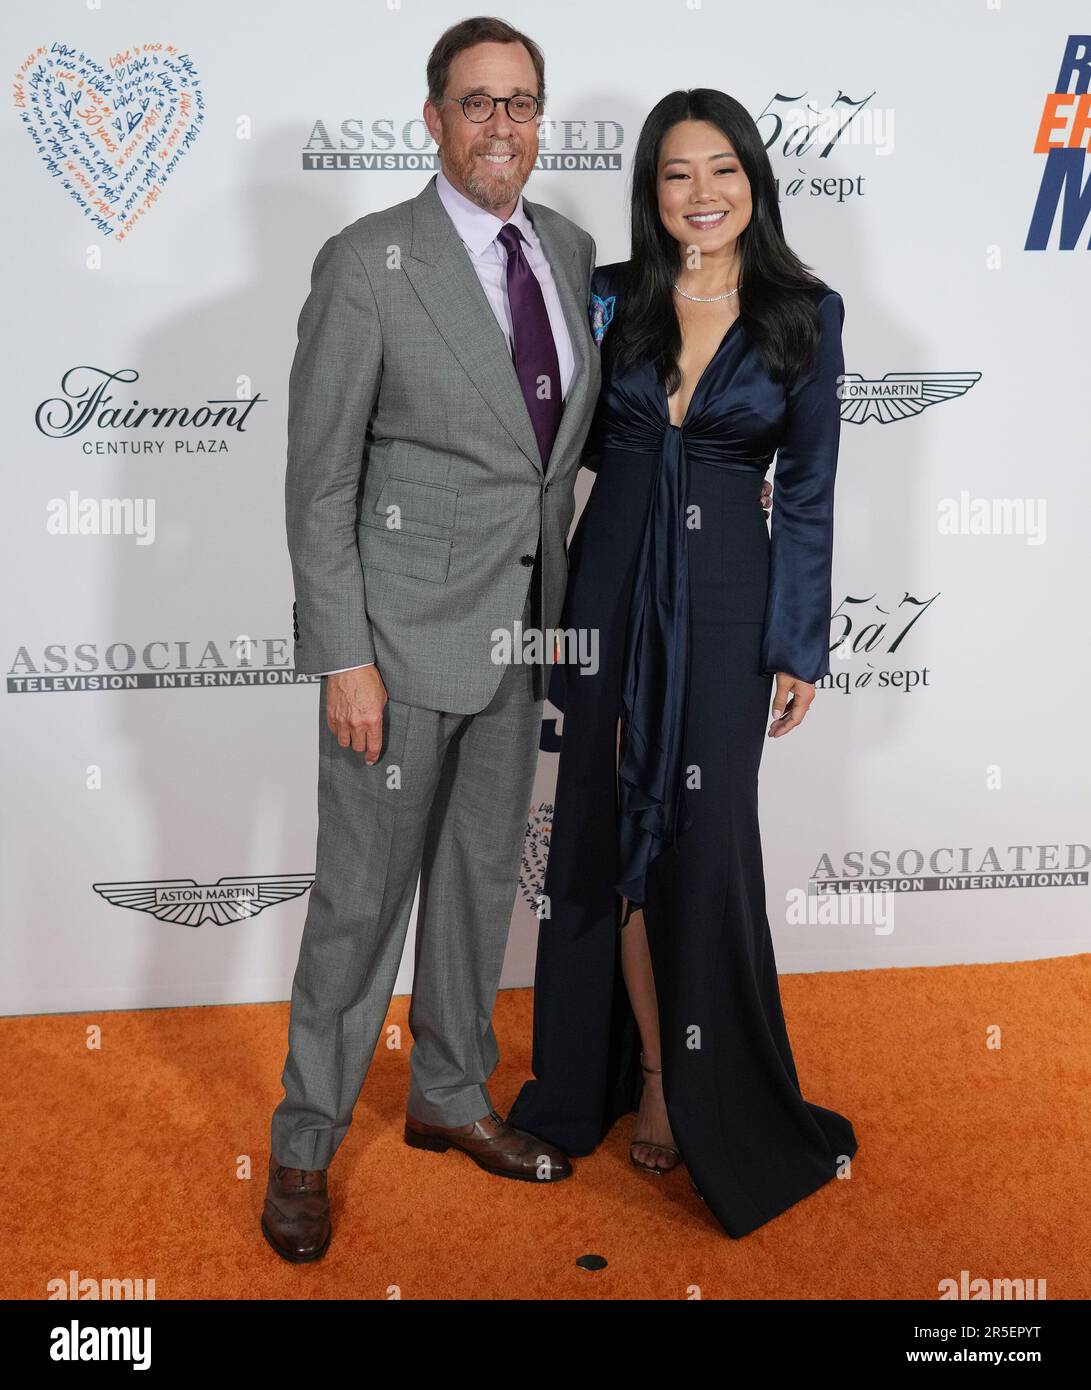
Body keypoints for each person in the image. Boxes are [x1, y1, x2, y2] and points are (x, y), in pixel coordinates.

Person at [263, 16, 603, 1263]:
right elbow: (317, 483)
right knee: (358, 910)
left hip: (517, 644)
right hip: (393, 659)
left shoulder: (564, 251)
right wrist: (343, 655)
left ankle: (451, 1097)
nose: (500, 126)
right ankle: (302, 1143)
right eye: (476, 103)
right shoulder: (368, 263)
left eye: (520, 103)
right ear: (432, 119)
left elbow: (546, 457)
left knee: (470, 895)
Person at [507, 88, 859, 1238]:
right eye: (673, 174)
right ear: (647, 190)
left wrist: (795, 639)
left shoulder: (805, 311)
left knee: (701, 838)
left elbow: (805, 490)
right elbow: (547, 453)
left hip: (723, 597)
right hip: (606, 579)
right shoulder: (610, 295)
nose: (698, 195)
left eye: (719, 171)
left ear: (753, 179)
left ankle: (714, 1077)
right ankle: (652, 1069)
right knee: (607, 822)